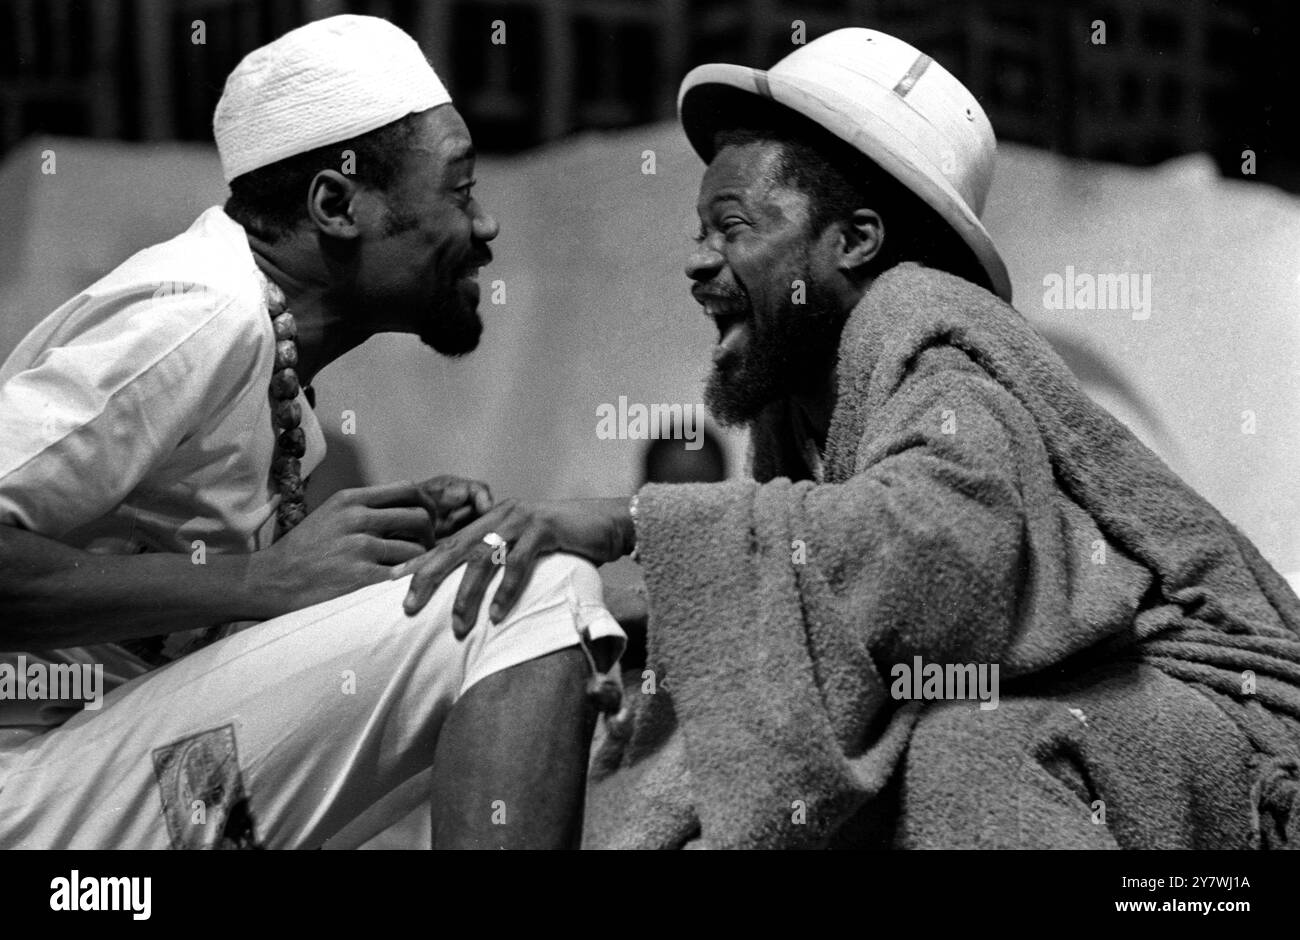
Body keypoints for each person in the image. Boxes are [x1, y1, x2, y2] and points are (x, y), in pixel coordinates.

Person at [401, 28, 1300, 849]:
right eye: (697, 228)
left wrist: (630, 529)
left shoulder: (930, 329)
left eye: (734, 226)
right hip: (1066, 691)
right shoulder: (809, 401)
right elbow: (823, 630)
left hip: (1213, 715)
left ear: (856, 241)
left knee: (965, 755)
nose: (696, 259)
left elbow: (941, 553)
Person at [0, 15, 623, 850]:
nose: (484, 228)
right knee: (531, 596)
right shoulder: (201, 318)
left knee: (489, 581)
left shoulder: (265, 344)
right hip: (28, 787)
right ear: (337, 204)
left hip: (126, 773)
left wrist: (367, 560)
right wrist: (261, 580)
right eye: (459, 188)